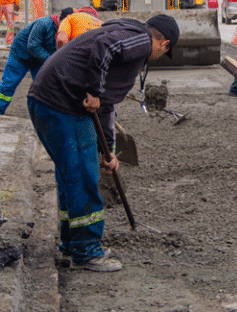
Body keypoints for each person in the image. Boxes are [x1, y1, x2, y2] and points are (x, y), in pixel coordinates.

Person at [27, 14, 180, 272]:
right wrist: (94, 91)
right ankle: (86, 252)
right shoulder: (140, 39)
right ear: (163, 43)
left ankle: (72, 245)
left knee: (71, 176)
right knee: (82, 177)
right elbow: (104, 48)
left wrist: (108, 150)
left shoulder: (128, 37)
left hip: (50, 101)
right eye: (165, 52)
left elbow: (106, 105)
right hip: (61, 104)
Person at [0, 8, 74, 115]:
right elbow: (33, 46)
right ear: (61, 19)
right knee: (8, 84)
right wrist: (50, 60)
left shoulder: (66, 29)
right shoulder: (43, 24)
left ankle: (44, 115)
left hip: (39, 60)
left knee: (44, 87)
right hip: (20, 56)